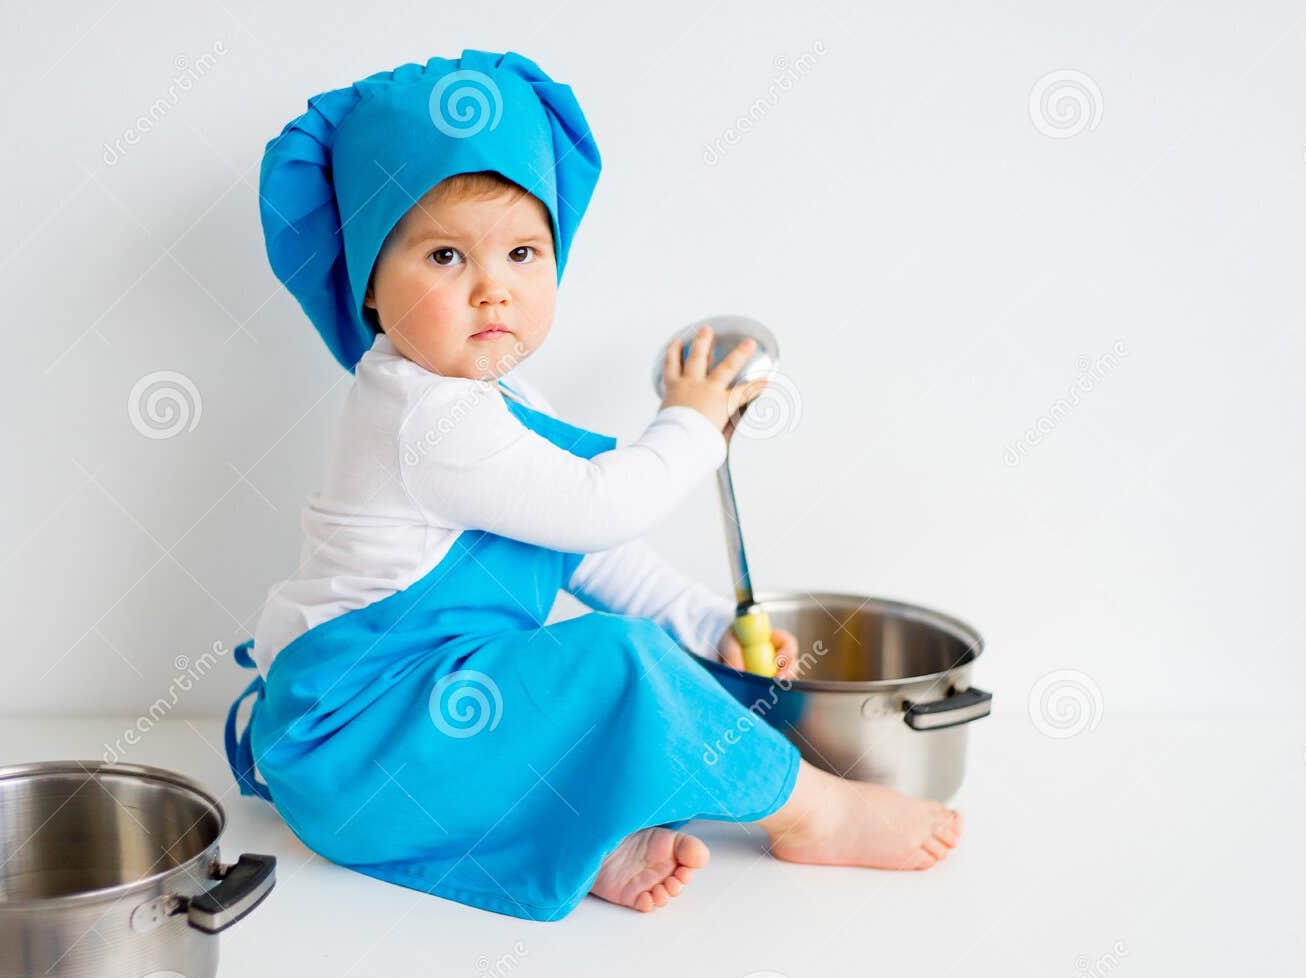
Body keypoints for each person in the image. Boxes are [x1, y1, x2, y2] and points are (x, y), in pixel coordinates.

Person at [224, 50, 961, 922]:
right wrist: (694, 420)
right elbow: (603, 504)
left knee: (600, 671)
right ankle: (815, 812)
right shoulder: (426, 418)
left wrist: (704, 623)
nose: (493, 286)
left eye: (524, 251)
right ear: (372, 291)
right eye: (447, 255)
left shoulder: (494, 402)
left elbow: (589, 548)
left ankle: (583, 840)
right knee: (613, 662)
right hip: (358, 751)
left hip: (425, 742)